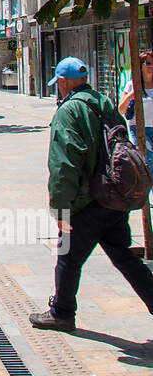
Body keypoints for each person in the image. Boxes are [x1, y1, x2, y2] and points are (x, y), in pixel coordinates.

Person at [29, 57, 153, 333]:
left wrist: (60, 208)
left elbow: (64, 163)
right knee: (125, 257)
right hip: (114, 195)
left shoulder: (68, 111)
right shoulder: (104, 102)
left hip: (87, 201)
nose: (58, 88)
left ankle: (61, 313)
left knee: (68, 258)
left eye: (58, 83)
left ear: (63, 82)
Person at [118, 52, 153, 173]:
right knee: (148, 162)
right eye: (147, 63)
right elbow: (121, 110)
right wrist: (132, 95)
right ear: (140, 66)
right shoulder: (131, 85)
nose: (151, 66)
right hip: (138, 128)